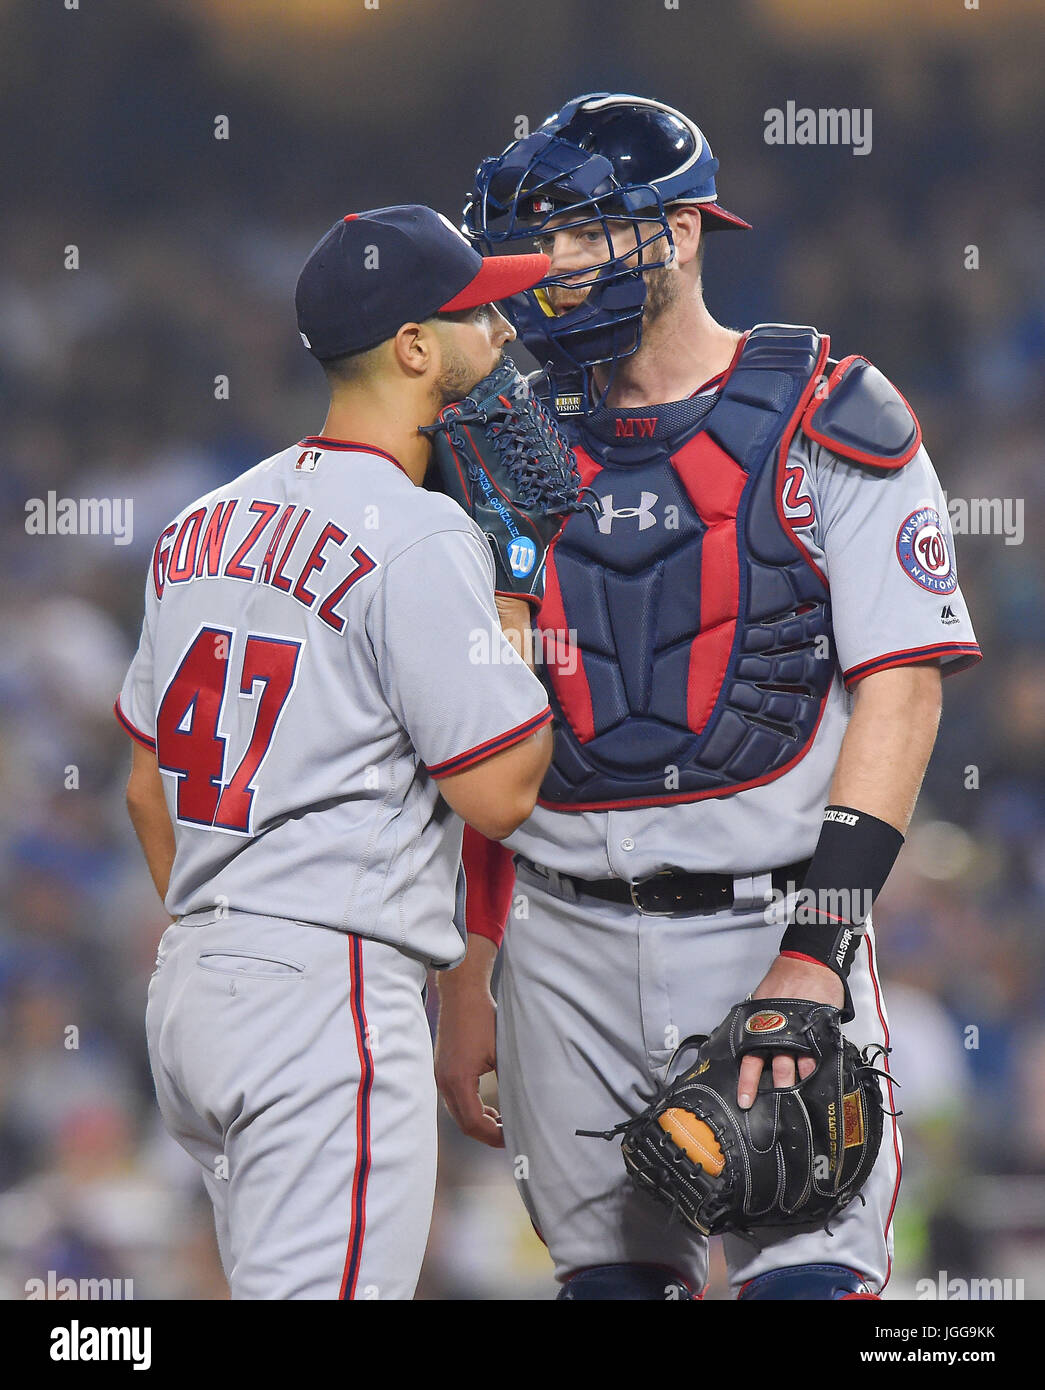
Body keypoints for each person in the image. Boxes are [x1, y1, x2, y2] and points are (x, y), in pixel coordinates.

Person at [435, 94, 982, 1300]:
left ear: (680, 232)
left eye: (582, 232)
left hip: (768, 924)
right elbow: (482, 730)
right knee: (608, 1289)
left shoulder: (827, 413)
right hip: (557, 939)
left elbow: (902, 694)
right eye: (535, 239)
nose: (553, 267)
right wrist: (472, 959)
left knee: (808, 1283)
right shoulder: (491, 442)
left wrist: (816, 949)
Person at [114, 204, 556, 1300]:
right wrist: (512, 595)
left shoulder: (201, 521)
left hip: (195, 990)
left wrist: (239, 927)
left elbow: (142, 788)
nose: (501, 333)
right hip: (324, 994)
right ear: (414, 347)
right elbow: (499, 791)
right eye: (476, 311)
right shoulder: (420, 535)